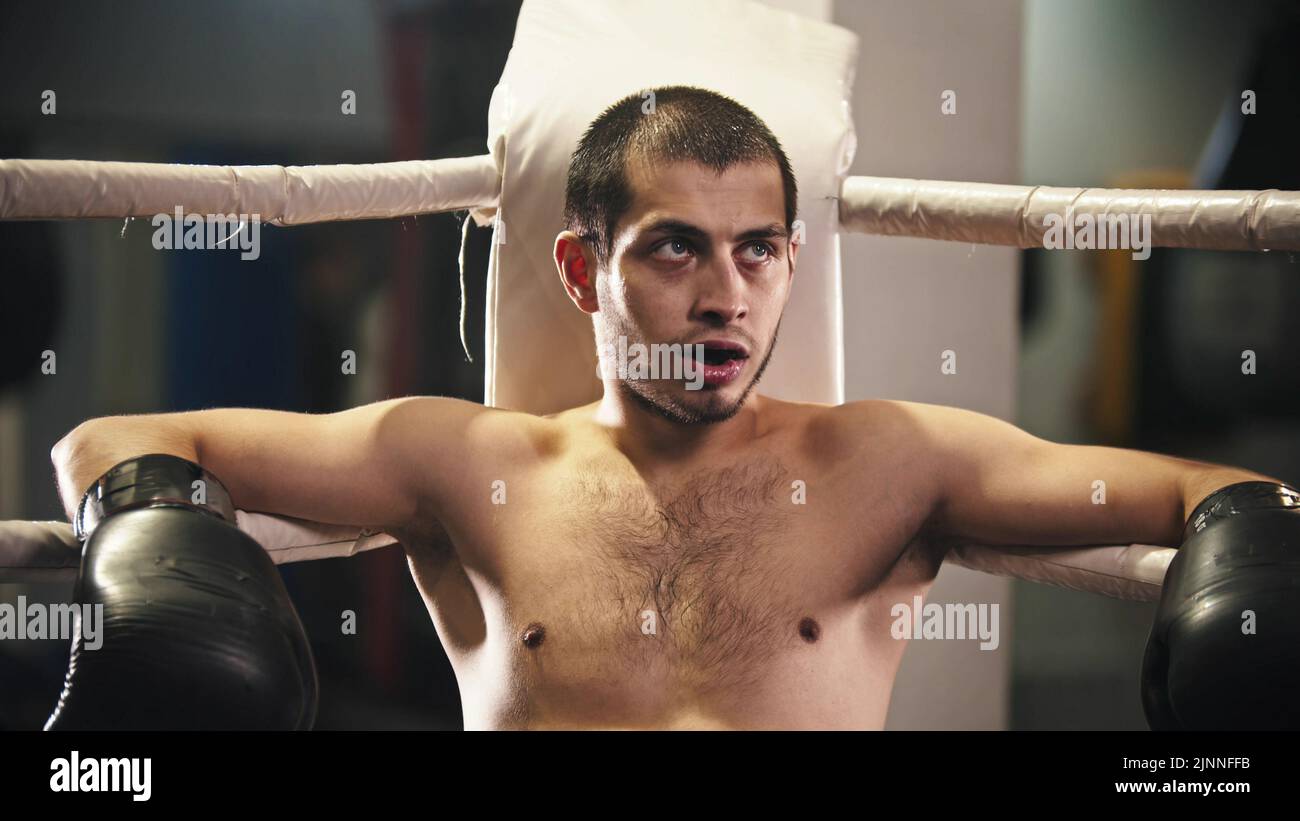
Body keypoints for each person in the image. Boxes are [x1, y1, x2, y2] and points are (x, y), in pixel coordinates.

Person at [50, 87, 1275, 729]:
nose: (724, 297)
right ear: (584, 271)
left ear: (793, 260)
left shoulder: (890, 461)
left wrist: (1254, 577)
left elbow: (1207, 494)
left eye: (757, 253)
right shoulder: (467, 459)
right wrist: (163, 578)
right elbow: (116, 442)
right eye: (677, 250)